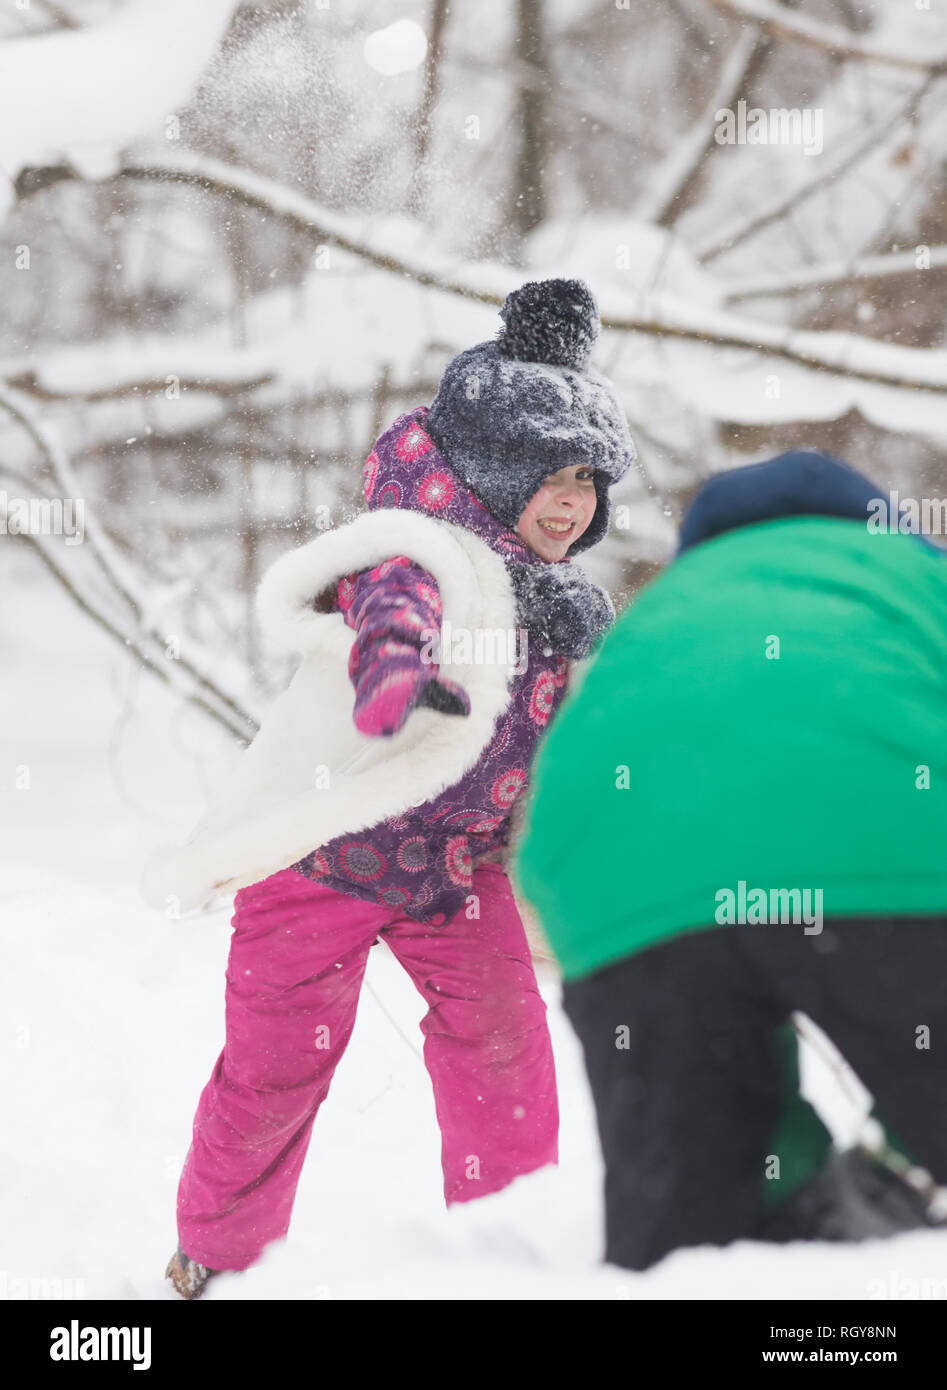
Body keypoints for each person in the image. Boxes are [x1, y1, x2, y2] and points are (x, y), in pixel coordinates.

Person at [145, 278, 636, 1297]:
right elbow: (386, 596)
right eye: (549, 473)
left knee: (506, 1056)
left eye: (588, 479)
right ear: (496, 472)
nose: (570, 499)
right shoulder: (421, 547)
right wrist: (395, 667)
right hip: (320, 862)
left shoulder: (554, 610)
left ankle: (506, 1255)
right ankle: (213, 1258)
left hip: (452, 874)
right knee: (272, 1078)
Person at [515, 448, 947, 1272]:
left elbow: (562, 786)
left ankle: (769, 1199)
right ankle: (899, 1177)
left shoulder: (662, 612)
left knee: (696, 1232)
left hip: (626, 891)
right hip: (886, 850)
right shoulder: (907, 576)